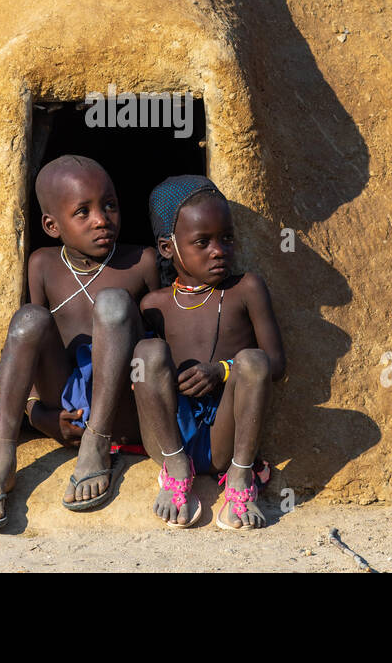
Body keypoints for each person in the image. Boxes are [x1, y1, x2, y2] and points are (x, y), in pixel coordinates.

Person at [0, 155, 159, 530]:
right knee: (28, 319)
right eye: (82, 212)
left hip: (122, 406)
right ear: (52, 225)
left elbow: (159, 349)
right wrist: (38, 415)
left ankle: (98, 445)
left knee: (114, 303)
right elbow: (33, 353)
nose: (102, 219)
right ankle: (1, 458)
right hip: (67, 406)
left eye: (110, 205)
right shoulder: (43, 264)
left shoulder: (141, 262)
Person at [132, 175, 285, 530]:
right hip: (171, 436)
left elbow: (275, 364)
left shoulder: (245, 288)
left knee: (254, 360)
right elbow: (143, 379)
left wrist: (223, 370)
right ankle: (176, 471)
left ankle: (240, 478)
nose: (219, 250)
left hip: (226, 436)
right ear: (168, 248)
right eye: (203, 241)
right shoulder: (154, 304)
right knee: (147, 352)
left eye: (227, 238)